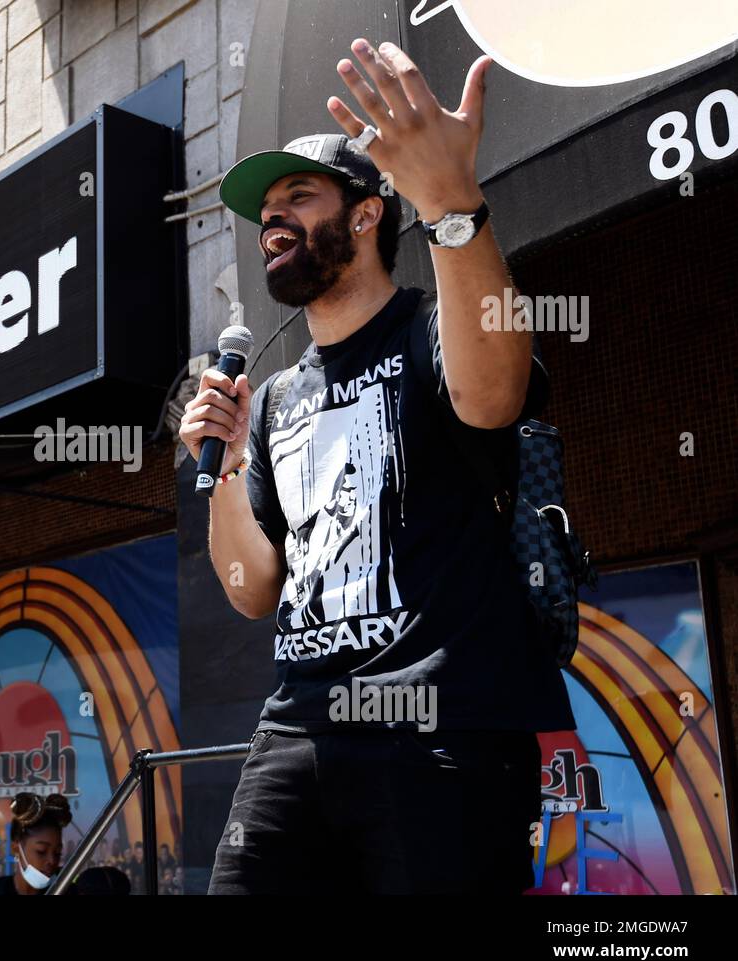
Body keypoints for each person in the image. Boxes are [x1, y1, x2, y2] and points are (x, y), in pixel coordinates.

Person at [183, 38, 574, 894]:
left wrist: (450, 203)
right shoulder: (278, 396)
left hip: (445, 725)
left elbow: (494, 394)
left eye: (298, 198)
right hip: (296, 729)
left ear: (365, 215)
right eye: (265, 213)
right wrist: (221, 468)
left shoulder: (435, 326)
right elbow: (253, 589)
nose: (272, 221)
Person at [0, 793, 74, 895]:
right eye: (41, 851)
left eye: (57, 853)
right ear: (16, 848)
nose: (52, 860)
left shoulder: (70, 892)